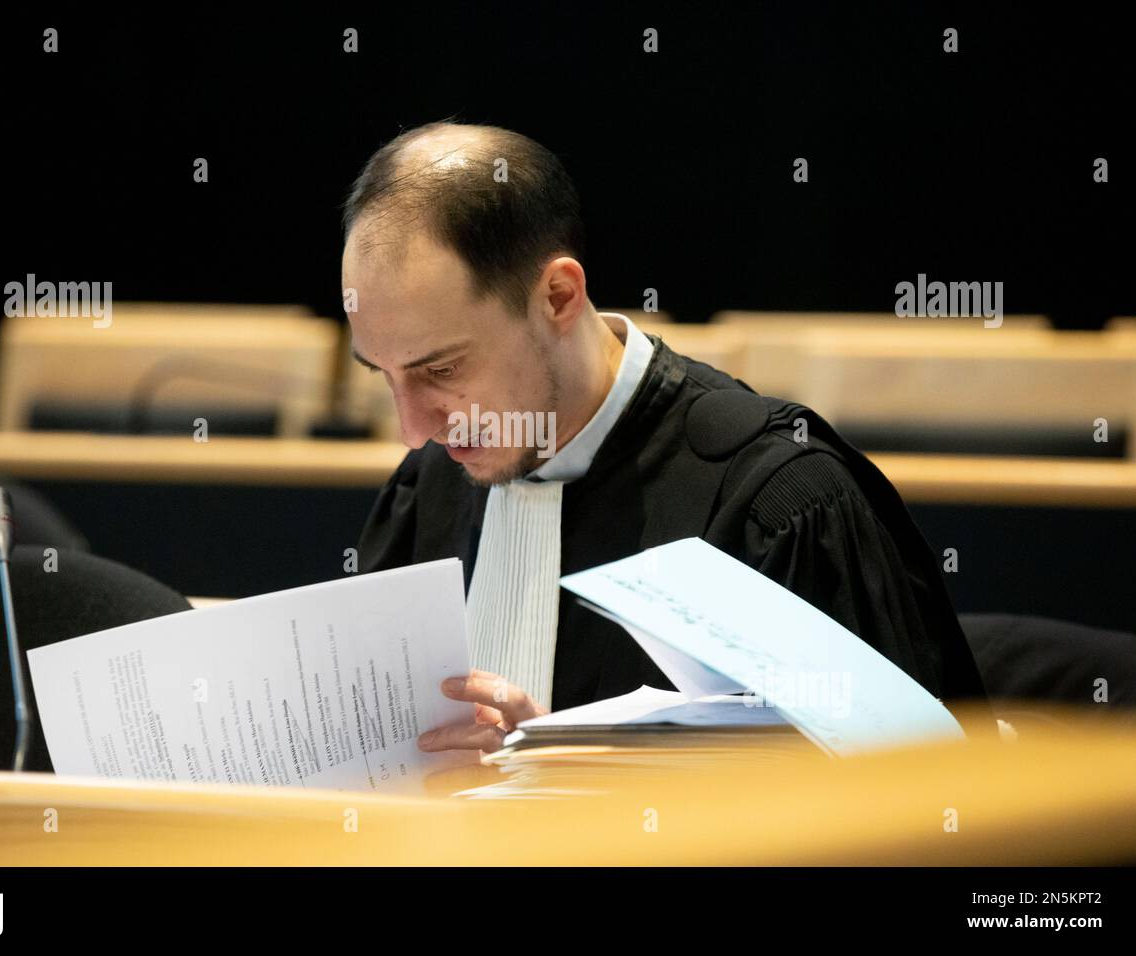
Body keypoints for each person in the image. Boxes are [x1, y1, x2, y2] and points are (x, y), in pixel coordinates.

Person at [341, 120, 992, 754]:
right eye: (383, 376)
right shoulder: (428, 488)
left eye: (443, 370)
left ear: (560, 296)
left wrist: (564, 793)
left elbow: (909, 813)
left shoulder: (781, 501)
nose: (413, 429)